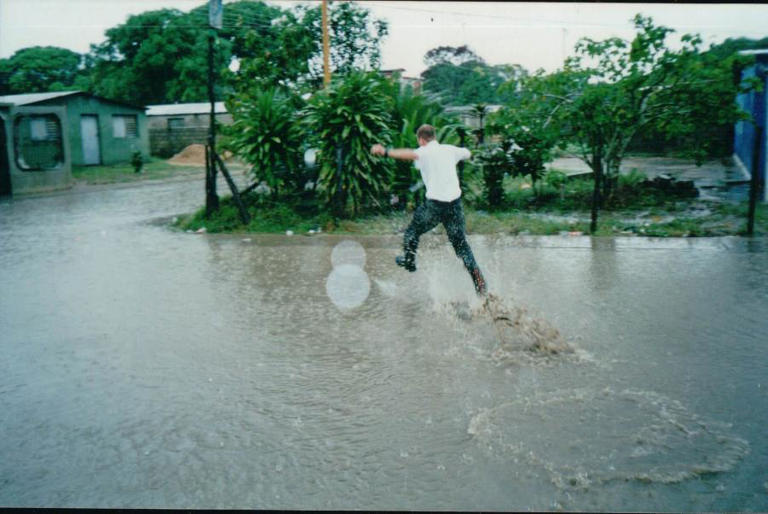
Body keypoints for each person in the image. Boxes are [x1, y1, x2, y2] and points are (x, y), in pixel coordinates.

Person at [370, 124, 487, 296]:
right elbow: (467, 153)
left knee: (411, 232)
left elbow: (408, 154)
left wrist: (385, 151)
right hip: (455, 206)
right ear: (434, 136)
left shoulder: (424, 151)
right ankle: (480, 283)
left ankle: (409, 261)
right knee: (462, 247)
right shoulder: (450, 150)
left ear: (421, 140)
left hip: (435, 207)